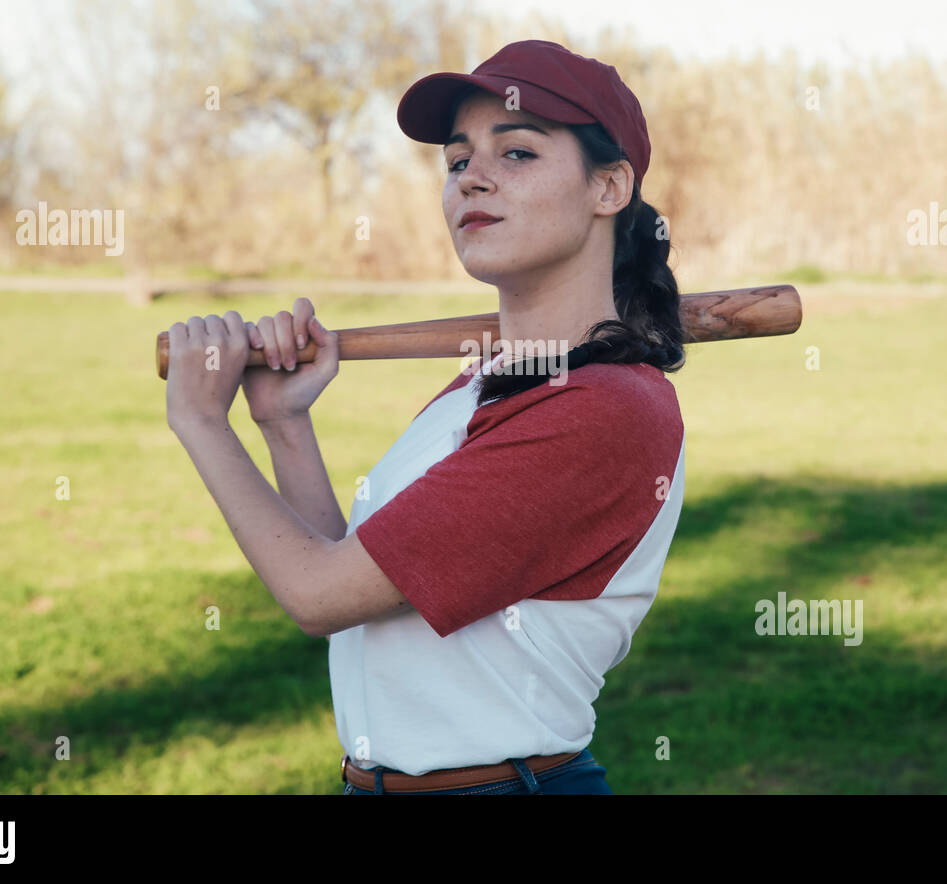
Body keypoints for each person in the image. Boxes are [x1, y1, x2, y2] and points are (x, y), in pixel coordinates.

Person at [163, 39, 686, 795]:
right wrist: (282, 422)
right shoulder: (494, 381)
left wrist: (202, 423)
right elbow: (354, 587)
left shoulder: (600, 411)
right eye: (456, 160)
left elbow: (316, 596)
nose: (473, 176)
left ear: (609, 187)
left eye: (518, 154)